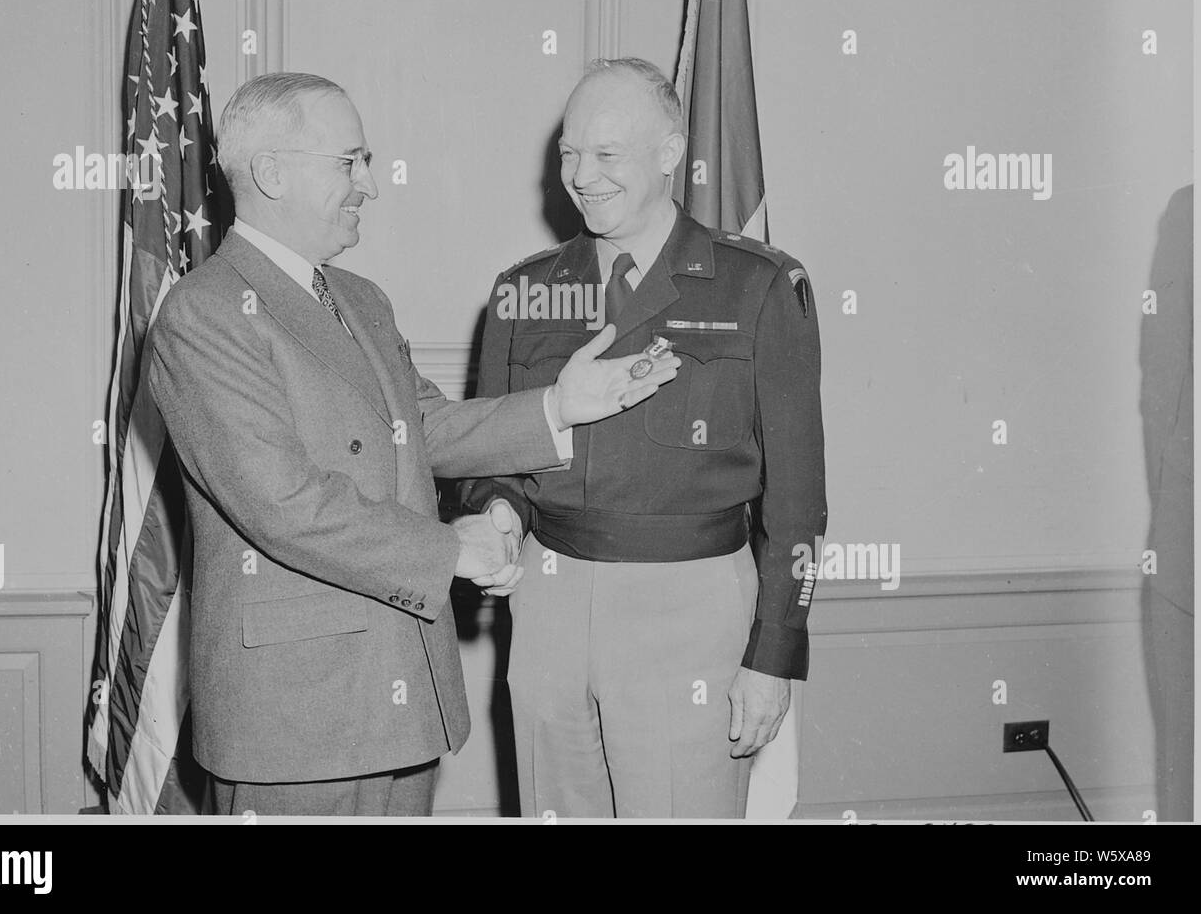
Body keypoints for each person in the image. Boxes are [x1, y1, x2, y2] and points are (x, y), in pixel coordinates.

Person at [147, 71, 678, 816]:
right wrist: (452, 551)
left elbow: (421, 428)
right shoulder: (203, 315)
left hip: (399, 692)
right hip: (297, 719)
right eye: (350, 162)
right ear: (271, 173)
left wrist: (559, 406)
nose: (370, 182)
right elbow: (281, 503)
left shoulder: (359, 299)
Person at [461, 57, 827, 818]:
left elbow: (798, 498)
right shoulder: (523, 290)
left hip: (691, 608)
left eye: (605, 154)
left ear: (668, 154)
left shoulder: (756, 285)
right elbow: (488, 450)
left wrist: (774, 656)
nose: (580, 175)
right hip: (549, 599)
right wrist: (497, 513)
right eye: (568, 153)